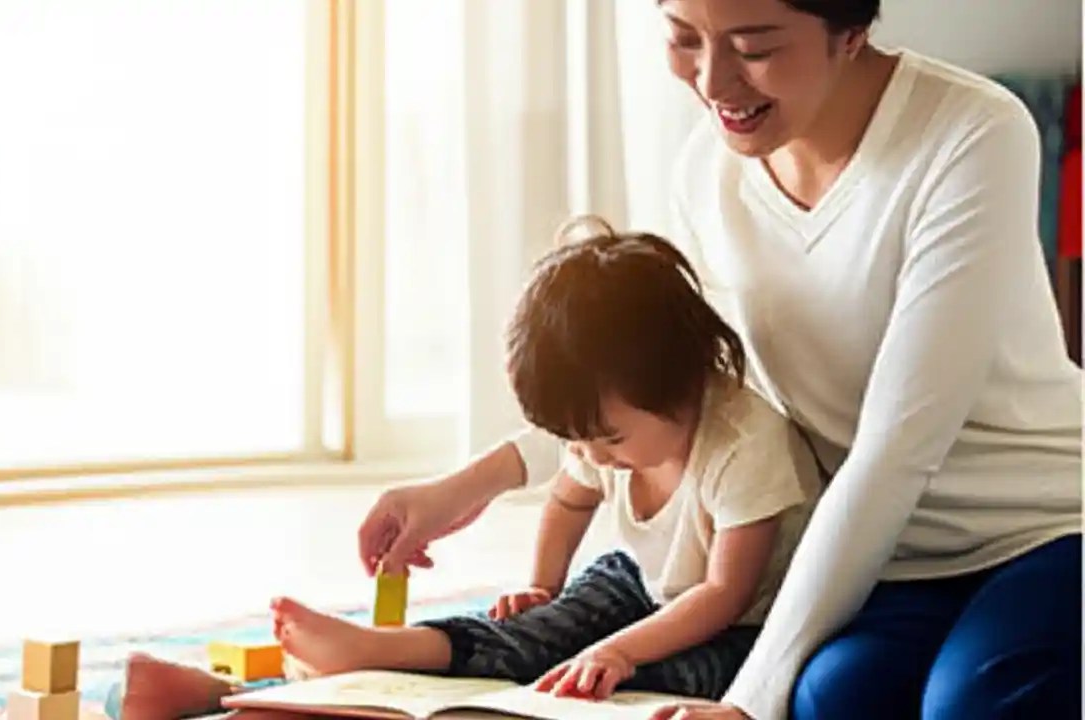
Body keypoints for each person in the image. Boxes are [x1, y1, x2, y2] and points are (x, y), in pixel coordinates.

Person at [358, 1, 1084, 719]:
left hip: (1042, 530)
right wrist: (467, 485)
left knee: (980, 704)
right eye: (683, 40)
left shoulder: (970, 133)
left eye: (755, 47)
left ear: (852, 30)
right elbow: (667, 398)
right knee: (833, 701)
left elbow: (897, 447)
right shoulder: (707, 172)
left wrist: (747, 703)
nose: (713, 82)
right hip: (878, 562)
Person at [115, 220, 822, 717]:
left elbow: (726, 592)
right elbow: (570, 504)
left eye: (606, 439)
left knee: (615, 689)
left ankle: (282, 693)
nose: (595, 459)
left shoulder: (743, 440)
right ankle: (379, 654)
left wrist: (616, 652)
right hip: (637, 588)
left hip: (737, 626)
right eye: (580, 441)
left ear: (681, 381)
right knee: (533, 636)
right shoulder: (605, 432)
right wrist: (543, 585)